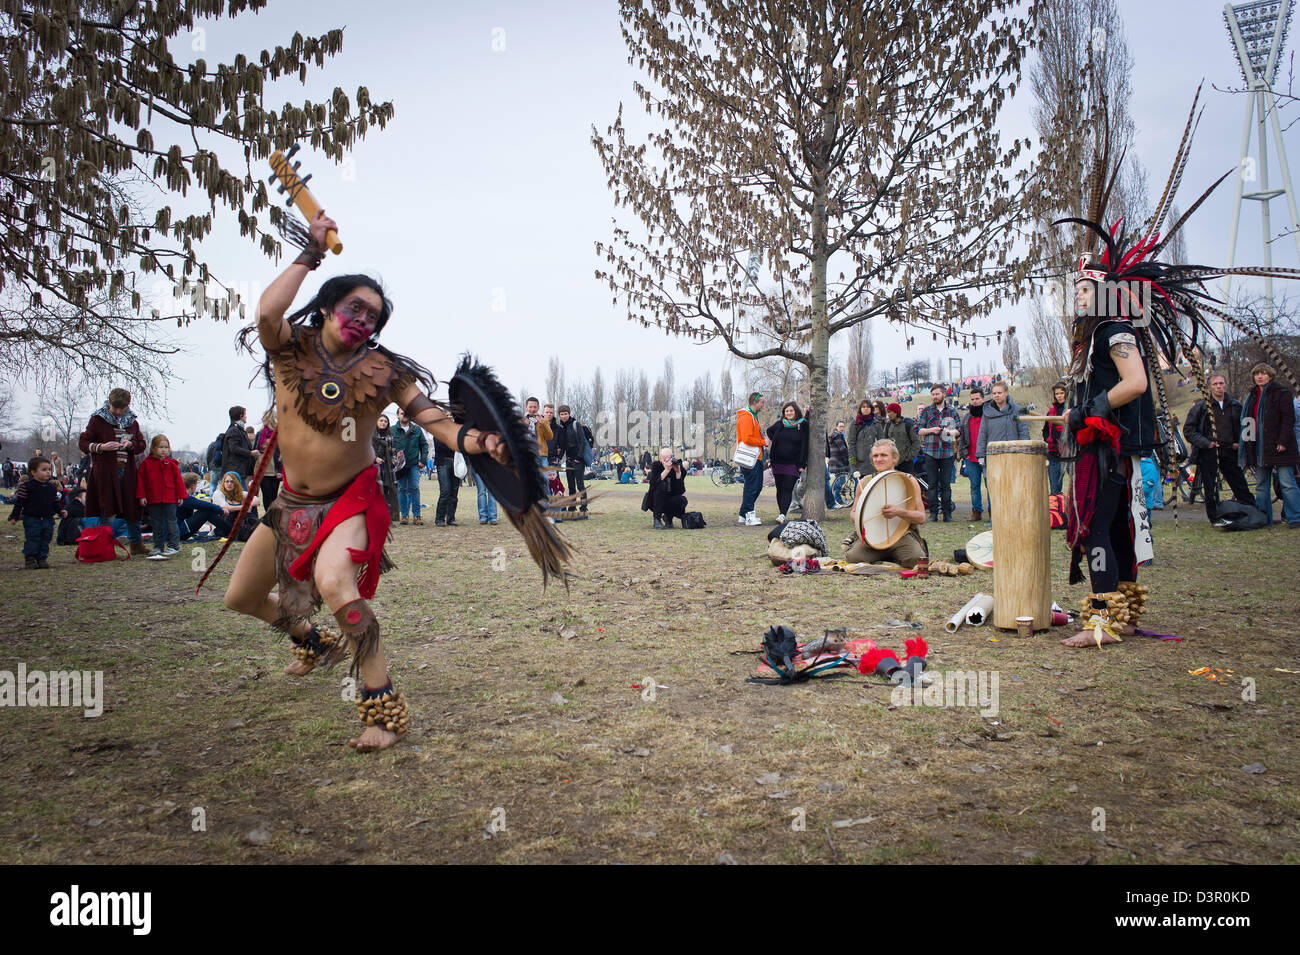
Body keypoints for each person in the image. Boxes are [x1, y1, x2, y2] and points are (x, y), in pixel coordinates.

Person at [217, 209, 510, 752]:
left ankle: (383, 708)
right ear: (328, 307)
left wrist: (479, 441)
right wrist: (309, 252)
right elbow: (267, 310)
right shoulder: (288, 349)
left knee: (334, 584)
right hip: (289, 504)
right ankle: (311, 640)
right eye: (356, 308)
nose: (365, 322)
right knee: (240, 596)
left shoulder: (384, 372)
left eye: (374, 317)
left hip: (350, 500)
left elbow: (435, 422)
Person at [79, 387, 148, 555]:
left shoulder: (132, 422)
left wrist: (131, 445)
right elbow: (83, 442)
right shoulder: (97, 420)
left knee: (132, 508)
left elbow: (141, 444)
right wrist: (101, 447)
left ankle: (136, 544)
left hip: (128, 471)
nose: (117, 412)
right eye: (115, 408)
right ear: (109, 403)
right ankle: (103, 546)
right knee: (107, 508)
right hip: (105, 473)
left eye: (121, 409)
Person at [839, 439, 927, 568]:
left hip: (900, 536)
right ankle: (888, 557)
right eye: (875, 456)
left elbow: (921, 517)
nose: (878, 459)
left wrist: (899, 512)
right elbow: (853, 514)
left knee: (916, 559)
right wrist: (864, 515)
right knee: (853, 558)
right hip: (871, 538)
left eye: (883, 455)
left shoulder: (909, 481)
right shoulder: (864, 483)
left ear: (894, 458)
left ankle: (889, 555)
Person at [1183, 373, 1252, 523]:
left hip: (1229, 451)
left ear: (1225, 385)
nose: (1219, 386)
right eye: (1215, 384)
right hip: (1209, 452)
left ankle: (1250, 511)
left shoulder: (1235, 405)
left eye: (1221, 383)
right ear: (1209, 387)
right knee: (1211, 486)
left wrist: (1239, 442)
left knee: (1239, 483)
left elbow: (1246, 427)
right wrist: (1206, 443)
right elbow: (1189, 430)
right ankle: (1215, 517)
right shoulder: (1201, 407)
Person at [1239, 362, 1300, 527]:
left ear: (1271, 375)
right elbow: (1248, 421)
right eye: (1257, 373)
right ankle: (1263, 517)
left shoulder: (1282, 393)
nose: (1260, 376)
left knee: (1287, 483)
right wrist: (1247, 444)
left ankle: (1295, 517)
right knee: (1261, 485)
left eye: (1263, 373)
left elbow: (1288, 420)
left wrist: (1282, 441)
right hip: (1259, 447)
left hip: (1280, 447)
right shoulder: (1251, 396)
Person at [973, 382, 1029, 519]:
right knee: (996, 490)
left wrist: (1024, 452)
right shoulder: (987, 413)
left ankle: (1015, 518)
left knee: (1014, 489)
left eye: (999, 393)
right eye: (994, 393)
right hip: (994, 458)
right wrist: (980, 455)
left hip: (1014, 457)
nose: (996, 395)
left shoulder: (1018, 410)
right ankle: (997, 520)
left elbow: (1024, 433)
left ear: (1006, 393)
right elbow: (983, 434)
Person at [8, 455, 66, 569]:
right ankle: (30, 558)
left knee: (46, 538)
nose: (48, 472)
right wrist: (14, 516)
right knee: (33, 538)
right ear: (33, 472)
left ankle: (42, 558)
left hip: (48, 518)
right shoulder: (27, 487)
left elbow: (55, 503)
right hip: (32, 518)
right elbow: (19, 503)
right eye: (44, 470)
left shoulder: (51, 488)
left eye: (49, 469)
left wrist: (60, 511)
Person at [136, 434, 186, 560]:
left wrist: (180, 496)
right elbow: (141, 481)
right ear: (153, 448)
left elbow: (178, 481)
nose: (164, 450)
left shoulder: (172, 465)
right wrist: (141, 496)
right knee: (156, 523)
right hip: (153, 498)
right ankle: (158, 546)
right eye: (160, 447)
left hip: (170, 498)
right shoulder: (146, 464)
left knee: (171, 522)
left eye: (166, 447)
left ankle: (173, 546)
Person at [915, 385, 960, 521]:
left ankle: (948, 514)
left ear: (944, 394)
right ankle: (933, 513)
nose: (935, 396)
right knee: (932, 484)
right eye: (933, 394)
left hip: (947, 453)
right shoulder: (927, 411)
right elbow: (918, 430)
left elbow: (958, 431)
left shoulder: (952, 411)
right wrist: (931, 430)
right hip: (930, 452)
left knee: (945, 485)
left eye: (937, 394)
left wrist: (949, 432)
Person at [766, 401, 808, 522]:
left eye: (791, 411)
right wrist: (773, 441)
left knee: (787, 489)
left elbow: (805, 445)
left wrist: (802, 464)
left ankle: (783, 514)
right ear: (784, 413)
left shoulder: (802, 425)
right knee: (779, 489)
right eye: (787, 411)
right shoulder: (780, 424)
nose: (789, 413)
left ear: (796, 412)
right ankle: (781, 513)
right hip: (777, 462)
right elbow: (769, 431)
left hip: (793, 464)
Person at [736, 392, 770, 525]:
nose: (763, 404)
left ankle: (743, 514)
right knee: (754, 487)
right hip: (750, 458)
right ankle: (749, 515)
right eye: (762, 402)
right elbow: (746, 438)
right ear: (755, 402)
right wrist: (763, 442)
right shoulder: (747, 417)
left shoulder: (751, 416)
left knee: (752, 486)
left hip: (754, 457)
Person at [391, 407, 429, 525]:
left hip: (413, 464)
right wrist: (393, 458)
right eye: (402, 413)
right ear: (398, 415)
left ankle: (417, 516)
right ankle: (404, 515)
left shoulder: (417, 429)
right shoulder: (392, 430)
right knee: (401, 489)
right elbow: (388, 446)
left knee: (414, 488)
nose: (404, 415)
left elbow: (424, 445)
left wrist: (422, 460)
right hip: (400, 466)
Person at [553, 404, 593, 514]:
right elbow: (564, 446)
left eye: (565, 414)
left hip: (578, 460)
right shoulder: (561, 427)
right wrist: (560, 458)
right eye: (561, 414)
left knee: (580, 484)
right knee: (570, 485)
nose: (564, 416)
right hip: (569, 460)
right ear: (559, 415)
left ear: (569, 413)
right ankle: (571, 507)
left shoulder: (575, 424)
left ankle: (583, 507)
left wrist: (579, 458)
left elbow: (582, 442)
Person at [956, 387, 987, 521]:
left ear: (983, 399)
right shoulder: (967, 417)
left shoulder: (988, 415)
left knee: (990, 486)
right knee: (974, 486)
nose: (975, 401)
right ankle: (976, 512)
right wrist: (963, 453)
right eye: (973, 399)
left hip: (986, 456)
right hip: (971, 457)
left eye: (977, 399)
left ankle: (993, 513)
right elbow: (962, 436)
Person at [177, 472, 233, 541]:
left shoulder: (182, 495)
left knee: (207, 510)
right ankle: (232, 531)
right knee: (206, 512)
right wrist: (221, 510)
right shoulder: (184, 497)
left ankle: (230, 530)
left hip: (179, 530)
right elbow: (203, 505)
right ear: (193, 485)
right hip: (179, 532)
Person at [646, 447, 687, 528]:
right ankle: (657, 519)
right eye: (666, 458)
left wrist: (678, 473)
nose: (669, 460)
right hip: (655, 500)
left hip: (670, 499)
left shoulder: (677, 467)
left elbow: (681, 491)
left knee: (682, 500)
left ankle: (668, 518)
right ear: (661, 459)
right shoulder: (656, 466)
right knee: (663, 486)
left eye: (670, 457)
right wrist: (666, 470)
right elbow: (653, 485)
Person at [372, 413, 400, 524]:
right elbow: (366, 451)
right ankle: (375, 518)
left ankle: (388, 519)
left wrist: (393, 461)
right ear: (377, 422)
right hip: (375, 467)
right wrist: (375, 459)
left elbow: (393, 452)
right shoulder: (371, 436)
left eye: (385, 421)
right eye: (381, 420)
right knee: (377, 492)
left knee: (389, 492)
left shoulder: (390, 437)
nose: (383, 423)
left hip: (388, 468)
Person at [213, 470, 259, 537]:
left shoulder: (241, 493)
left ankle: (252, 528)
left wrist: (249, 505)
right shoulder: (218, 493)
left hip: (238, 522)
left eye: (232, 482)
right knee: (233, 511)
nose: (229, 484)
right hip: (225, 522)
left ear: (237, 483)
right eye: (227, 481)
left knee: (253, 506)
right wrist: (243, 507)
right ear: (223, 483)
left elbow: (256, 499)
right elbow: (225, 507)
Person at [221, 406, 260, 485]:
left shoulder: (239, 430)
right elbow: (234, 448)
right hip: (235, 471)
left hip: (240, 470)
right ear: (240, 415)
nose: (246, 416)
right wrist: (250, 453)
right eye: (245, 414)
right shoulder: (234, 431)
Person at [1044, 382, 1069, 496]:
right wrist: (1049, 440)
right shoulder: (1050, 412)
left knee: (1078, 487)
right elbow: (1045, 431)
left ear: (1066, 393)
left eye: (1062, 393)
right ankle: (1056, 512)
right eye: (1057, 394)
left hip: (1070, 455)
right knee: (1055, 490)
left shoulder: (1073, 409)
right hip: (1054, 455)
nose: (1059, 396)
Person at [880, 403, 919, 475]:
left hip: (906, 463)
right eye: (887, 412)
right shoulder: (888, 425)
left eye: (890, 412)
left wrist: (910, 457)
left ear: (896, 412)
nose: (888, 414)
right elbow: (885, 442)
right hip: (892, 462)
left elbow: (916, 442)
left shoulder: (907, 424)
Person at [846, 399, 881, 479]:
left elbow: (881, 443)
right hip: (859, 464)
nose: (866, 408)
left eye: (868, 407)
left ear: (871, 409)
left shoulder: (876, 424)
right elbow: (851, 444)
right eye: (863, 407)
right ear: (860, 409)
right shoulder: (855, 424)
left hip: (874, 463)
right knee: (860, 489)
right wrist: (853, 465)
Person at [256, 409, 281, 509]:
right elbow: (256, 449)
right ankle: (268, 518)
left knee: (274, 497)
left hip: (275, 470)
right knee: (266, 497)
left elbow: (282, 453)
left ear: (270, 418)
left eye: (264, 417)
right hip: (263, 470)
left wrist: (280, 470)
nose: (262, 419)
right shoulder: (260, 433)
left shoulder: (279, 434)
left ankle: (273, 518)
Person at [432, 437, 460, 526]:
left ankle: (451, 518)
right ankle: (439, 518)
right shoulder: (439, 430)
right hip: (443, 462)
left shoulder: (456, 428)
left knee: (454, 492)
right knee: (445, 491)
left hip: (456, 463)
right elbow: (440, 445)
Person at [825, 420, 851, 507]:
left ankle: (834, 495)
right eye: (840, 426)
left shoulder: (837, 435)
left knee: (840, 479)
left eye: (843, 426)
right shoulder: (837, 436)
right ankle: (837, 498)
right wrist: (850, 456)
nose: (842, 428)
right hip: (838, 462)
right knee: (841, 480)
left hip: (836, 461)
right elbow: (843, 449)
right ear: (836, 427)